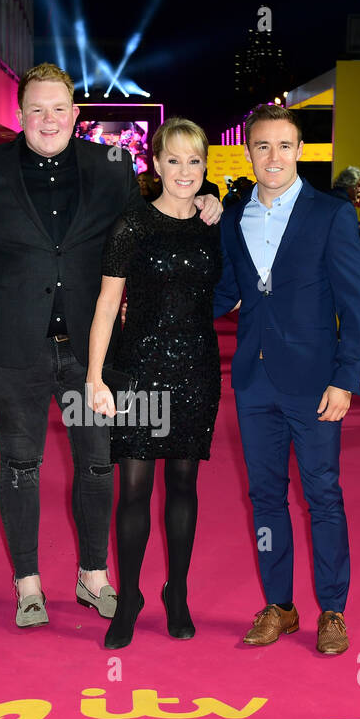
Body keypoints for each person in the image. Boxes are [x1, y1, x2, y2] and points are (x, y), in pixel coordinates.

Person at [0, 62, 222, 630]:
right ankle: (27, 582)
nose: (47, 119)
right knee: (20, 465)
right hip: (14, 345)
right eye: (36, 109)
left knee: (99, 466)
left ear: (75, 115)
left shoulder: (111, 166)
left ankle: (93, 576)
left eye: (58, 109)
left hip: (91, 352)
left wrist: (208, 203)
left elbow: (150, 221)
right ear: (19, 114)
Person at [213, 103, 360, 656]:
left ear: (300, 151)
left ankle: (333, 609)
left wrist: (345, 379)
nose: (273, 157)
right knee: (265, 498)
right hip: (253, 384)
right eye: (262, 146)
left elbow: (355, 304)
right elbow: (228, 292)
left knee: (323, 495)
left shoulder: (331, 214)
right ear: (248, 151)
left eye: (284, 146)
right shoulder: (234, 219)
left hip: (314, 383)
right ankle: (280, 606)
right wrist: (163, 301)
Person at [86, 118, 222, 649]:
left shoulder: (215, 224)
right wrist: (96, 376)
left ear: (205, 167)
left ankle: (178, 593)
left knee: (184, 485)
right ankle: (130, 599)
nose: (184, 171)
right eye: (174, 160)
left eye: (195, 161)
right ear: (156, 164)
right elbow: (105, 303)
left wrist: (219, 208)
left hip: (197, 368)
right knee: (135, 490)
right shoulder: (132, 226)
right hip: (140, 368)